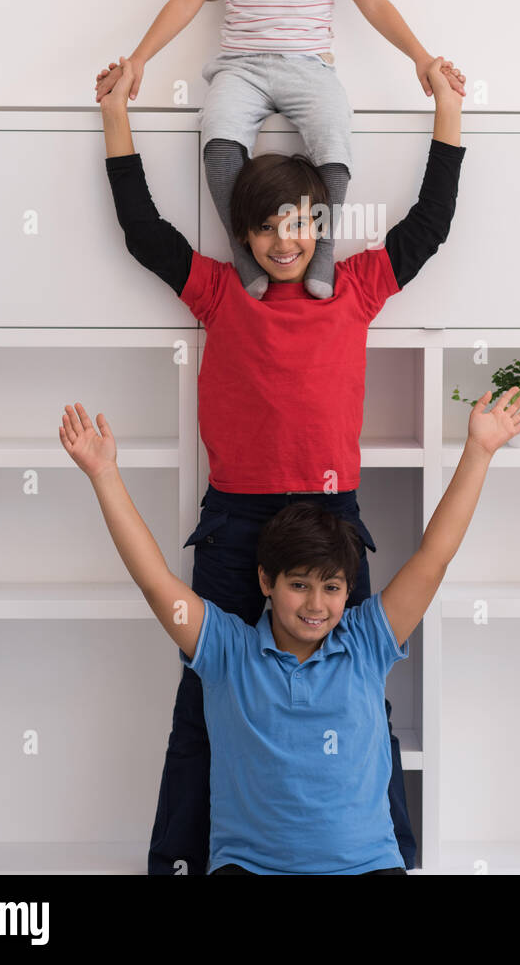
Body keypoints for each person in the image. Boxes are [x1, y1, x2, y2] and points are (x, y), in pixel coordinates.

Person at [100, 52, 466, 874]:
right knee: (205, 704)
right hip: (237, 520)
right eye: (267, 226)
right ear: (245, 233)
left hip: (333, 518)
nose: (285, 239)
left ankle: (385, 860)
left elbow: (429, 225)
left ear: (322, 221)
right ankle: (187, 863)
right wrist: (116, 117)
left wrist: (445, 106)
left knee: (362, 701)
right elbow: (142, 233)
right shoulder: (220, 293)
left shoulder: (358, 287)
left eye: (301, 221)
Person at [58, 387, 520, 875]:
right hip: (250, 869)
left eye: (330, 587)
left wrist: (479, 451)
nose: (315, 604)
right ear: (266, 580)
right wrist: (103, 474)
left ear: (349, 590)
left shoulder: (367, 641)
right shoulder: (228, 652)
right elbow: (155, 582)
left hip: (367, 867)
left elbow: (434, 557)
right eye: (299, 584)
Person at [93, 0, 467, 299]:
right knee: (219, 137)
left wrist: (420, 58)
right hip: (240, 70)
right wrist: (141, 58)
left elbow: (372, 1)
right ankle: (243, 248)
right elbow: (187, 0)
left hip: (309, 68)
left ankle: (323, 244)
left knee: (334, 134)